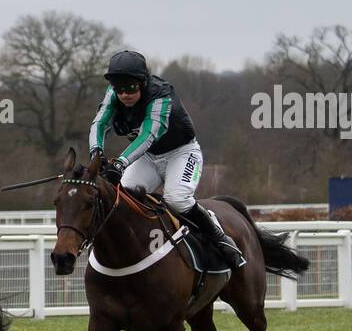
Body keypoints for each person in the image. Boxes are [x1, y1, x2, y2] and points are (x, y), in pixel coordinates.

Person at [88, 49, 244, 268]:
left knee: (177, 200)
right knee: (121, 197)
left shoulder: (161, 95)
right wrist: (97, 153)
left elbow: (148, 135)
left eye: (131, 87)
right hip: (149, 157)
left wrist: (121, 163)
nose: (124, 94)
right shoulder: (113, 94)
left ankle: (221, 239)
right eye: (119, 88)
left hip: (181, 153)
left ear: (142, 83)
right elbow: (100, 123)